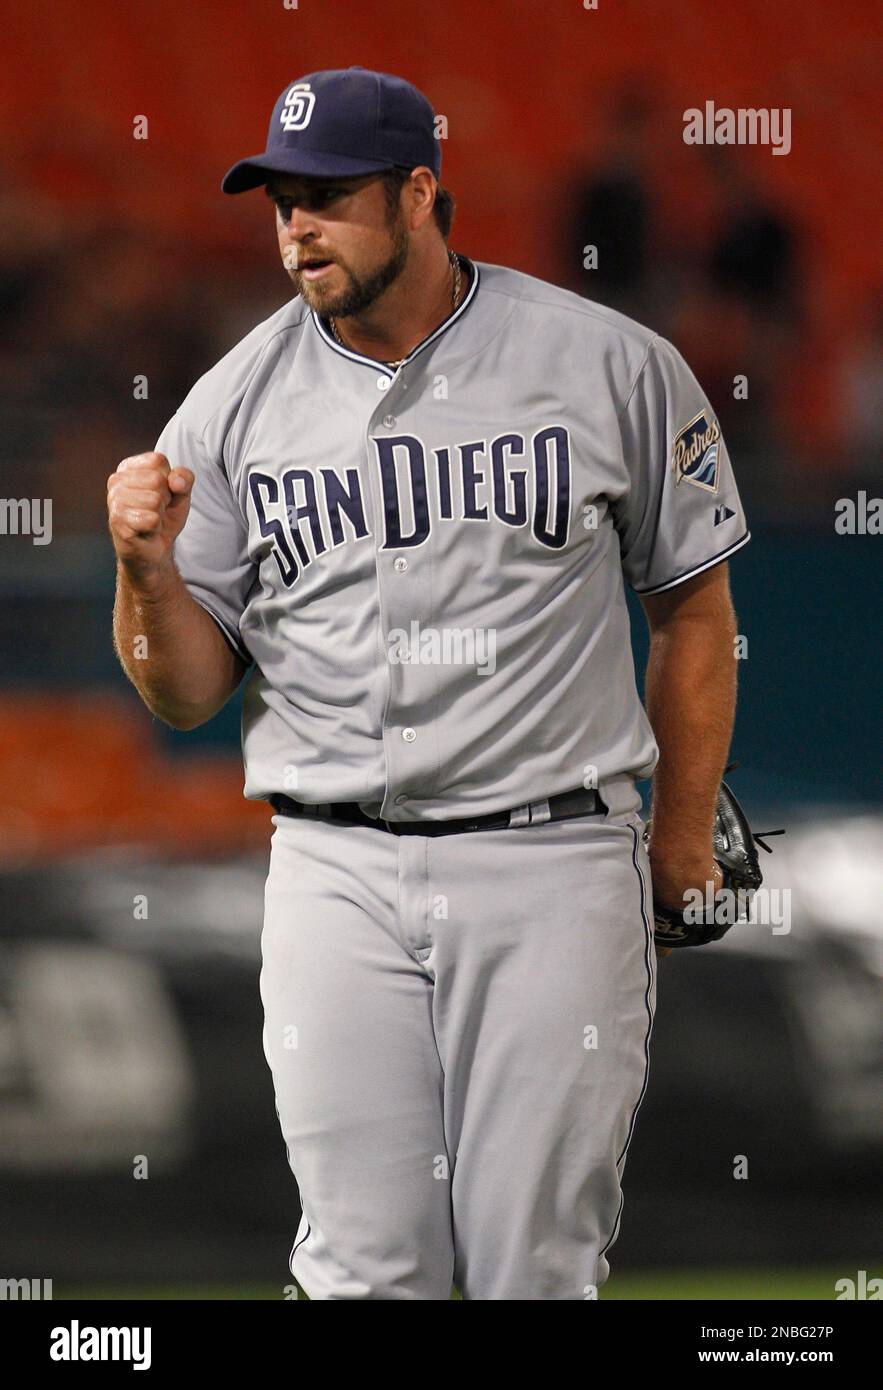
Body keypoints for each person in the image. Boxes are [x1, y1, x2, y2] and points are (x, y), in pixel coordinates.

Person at [107, 66, 748, 1300]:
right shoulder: (229, 407)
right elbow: (185, 695)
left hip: (553, 858)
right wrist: (142, 572)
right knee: (361, 1266)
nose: (296, 224)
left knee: (533, 1267)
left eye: (328, 195)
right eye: (279, 198)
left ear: (418, 193)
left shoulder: (607, 362)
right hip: (332, 866)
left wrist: (680, 839)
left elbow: (695, 610)